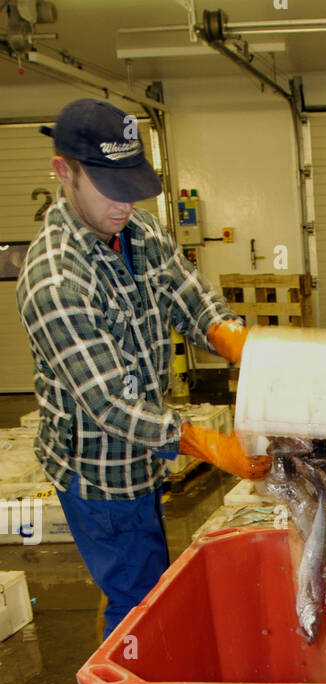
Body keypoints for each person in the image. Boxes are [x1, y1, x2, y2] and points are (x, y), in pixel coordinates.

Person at [17, 98, 269, 635]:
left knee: (153, 586)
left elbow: (189, 296)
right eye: (111, 186)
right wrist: (209, 445)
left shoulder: (139, 232)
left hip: (146, 459)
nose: (126, 203)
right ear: (65, 171)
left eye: (133, 185)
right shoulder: (55, 279)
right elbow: (110, 404)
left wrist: (235, 340)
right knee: (139, 604)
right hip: (101, 473)